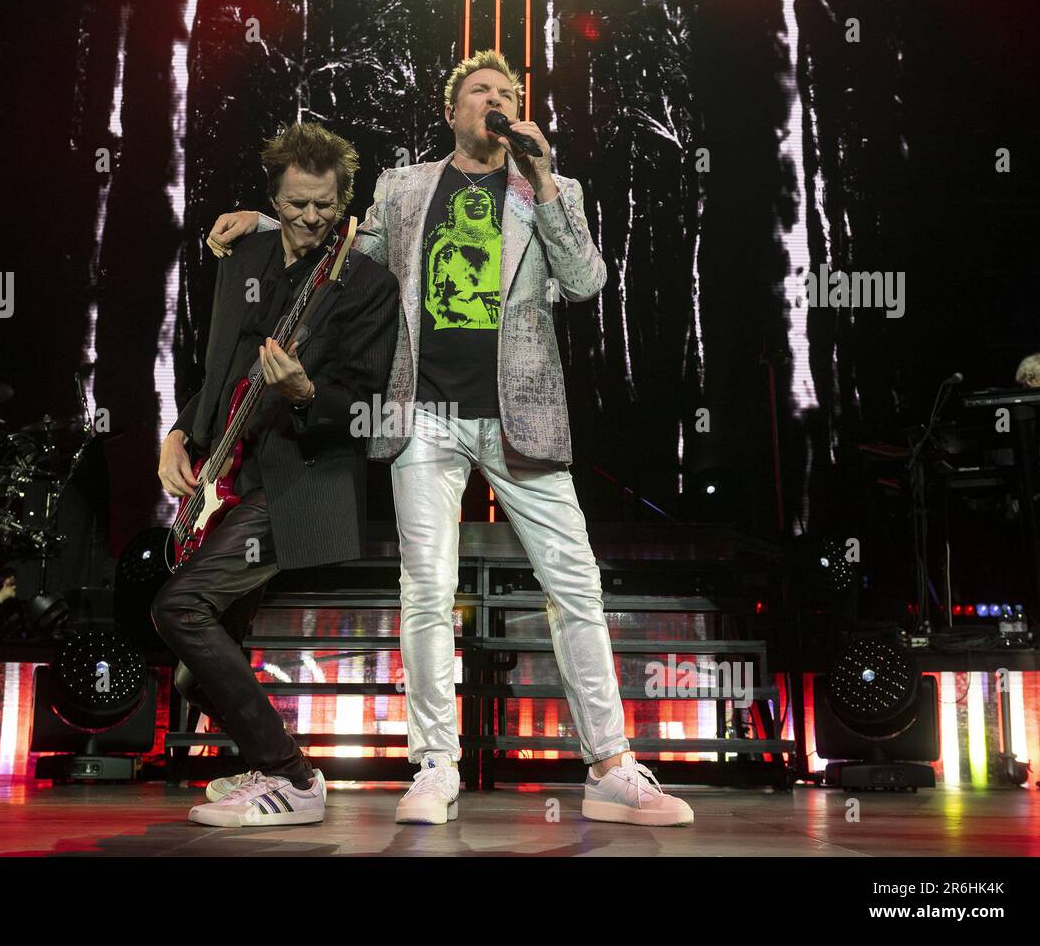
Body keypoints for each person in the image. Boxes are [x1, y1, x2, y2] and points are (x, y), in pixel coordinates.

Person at [208, 51, 693, 827]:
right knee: (425, 592)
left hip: (520, 414)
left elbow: (587, 280)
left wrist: (544, 177)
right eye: (481, 92)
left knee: (575, 586)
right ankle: (435, 766)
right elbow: (342, 260)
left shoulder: (550, 191)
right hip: (422, 412)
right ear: (452, 112)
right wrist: (271, 222)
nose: (496, 101)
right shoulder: (404, 188)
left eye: (508, 93)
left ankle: (611, 766)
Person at [152, 121, 400, 827]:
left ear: (343, 201)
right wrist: (180, 433)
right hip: (225, 471)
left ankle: (292, 779)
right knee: (193, 669)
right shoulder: (246, 252)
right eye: (296, 204)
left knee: (179, 608)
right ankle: (271, 767)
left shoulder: (365, 285)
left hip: (299, 482)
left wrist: (304, 394)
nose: (311, 219)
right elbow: (222, 364)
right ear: (274, 197)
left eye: (324, 205)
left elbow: (366, 408)